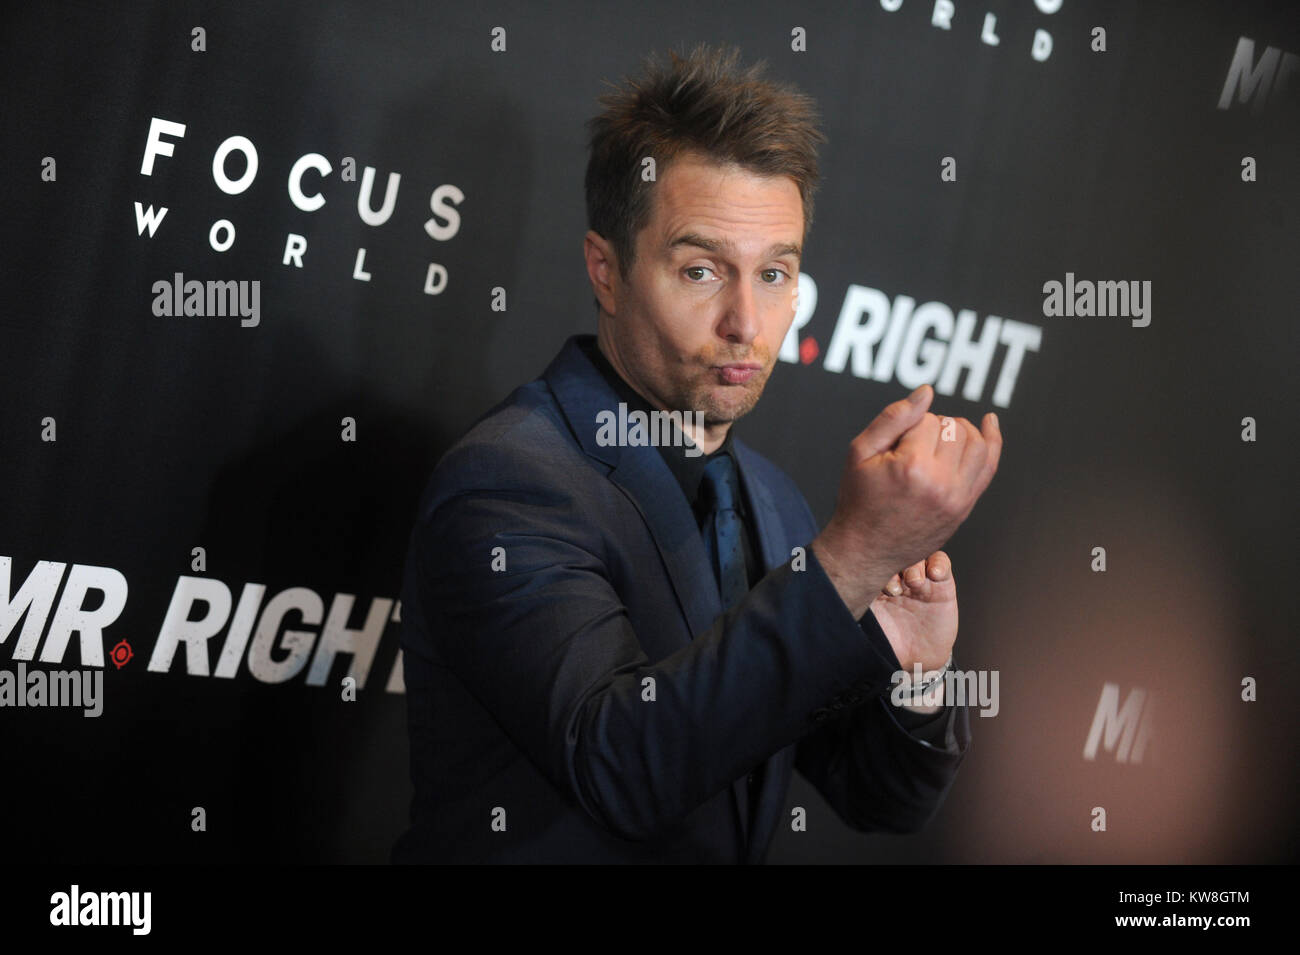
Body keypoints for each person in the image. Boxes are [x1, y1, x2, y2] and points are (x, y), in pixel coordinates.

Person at [392, 42, 1002, 863]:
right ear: (605, 270)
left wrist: (920, 672)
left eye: (776, 273)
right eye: (702, 270)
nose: (746, 322)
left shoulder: (772, 499)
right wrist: (852, 558)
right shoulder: (510, 481)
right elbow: (621, 765)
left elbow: (878, 796)